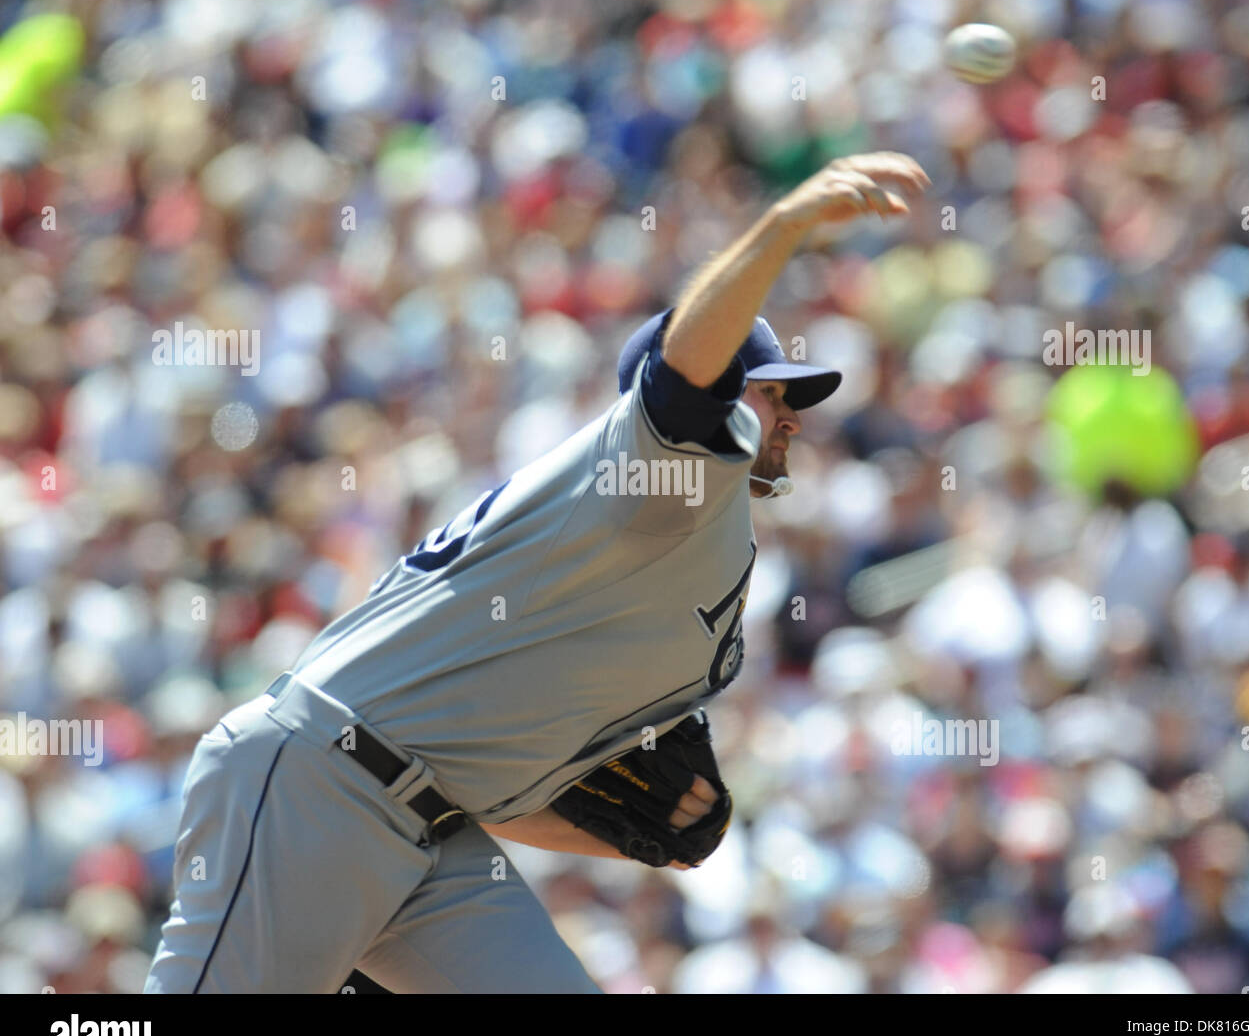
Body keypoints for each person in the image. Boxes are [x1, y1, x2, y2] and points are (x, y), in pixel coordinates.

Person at [143, 152, 931, 992]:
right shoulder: (659, 481)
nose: (793, 418)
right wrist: (781, 229)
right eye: (775, 394)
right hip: (319, 781)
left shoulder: (652, 553)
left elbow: (507, 790)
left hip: (431, 825)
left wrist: (642, 832)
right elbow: (680, 380)